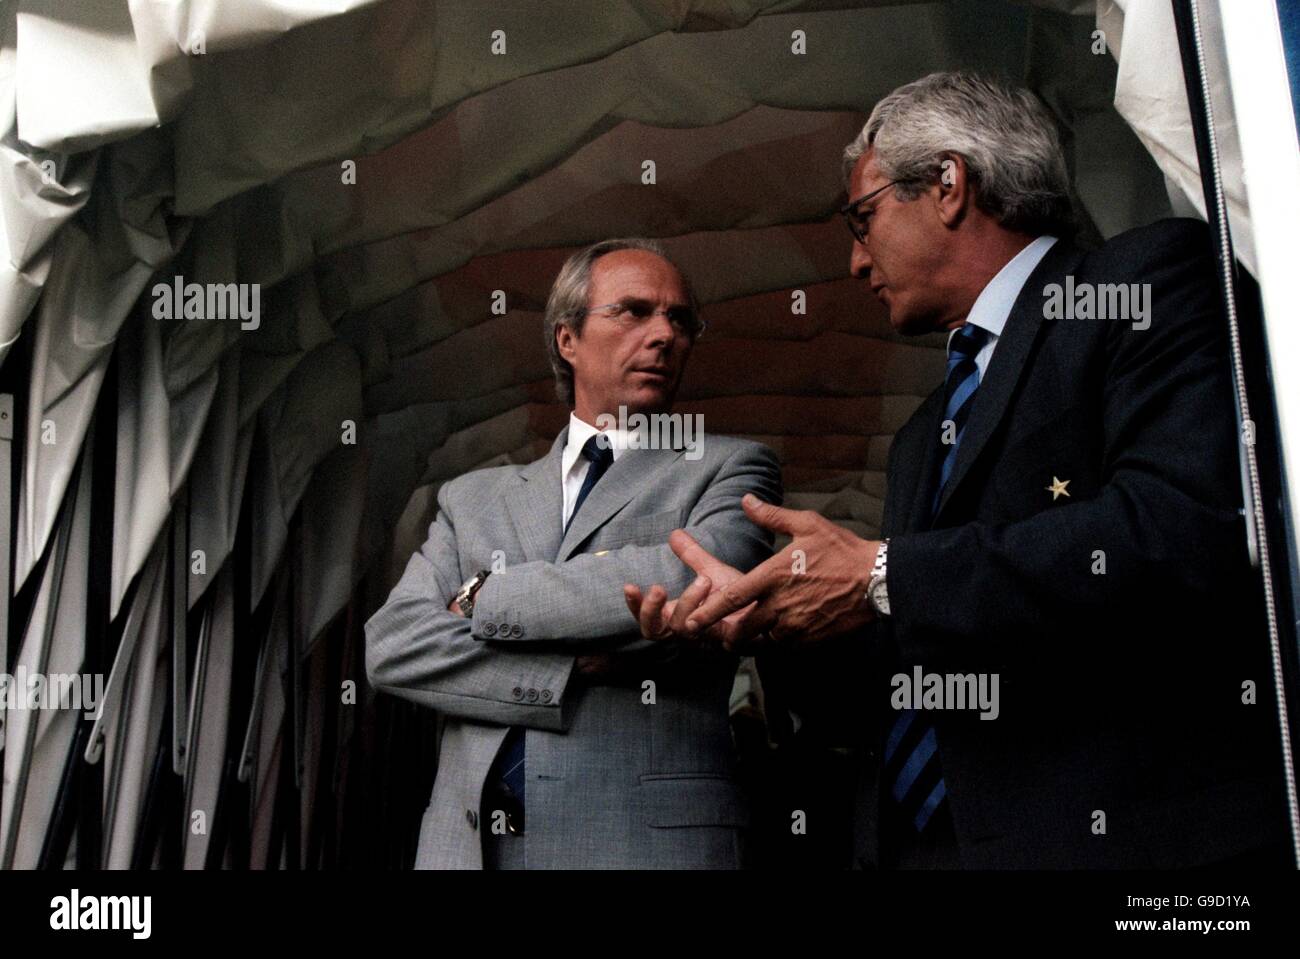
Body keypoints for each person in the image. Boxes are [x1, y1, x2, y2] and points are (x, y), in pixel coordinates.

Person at [626, 72, 1289, 869]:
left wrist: (880, 572)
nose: (852, 261)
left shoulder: (1144, 282)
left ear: (947, 185)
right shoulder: (918, 440)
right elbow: (911, 676)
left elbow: (1183, 531)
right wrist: (774, 625)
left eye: (862, 218)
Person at [364, 237, 781, 868]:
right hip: (466, 848)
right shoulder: (471, 497)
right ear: (567, 340)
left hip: (642, 846)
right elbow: (394, 645)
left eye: (680, 319)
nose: (664, 334)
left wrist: (484, 595)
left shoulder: (732, 467)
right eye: (634, 311)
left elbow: (691, 582)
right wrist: (572, 668)